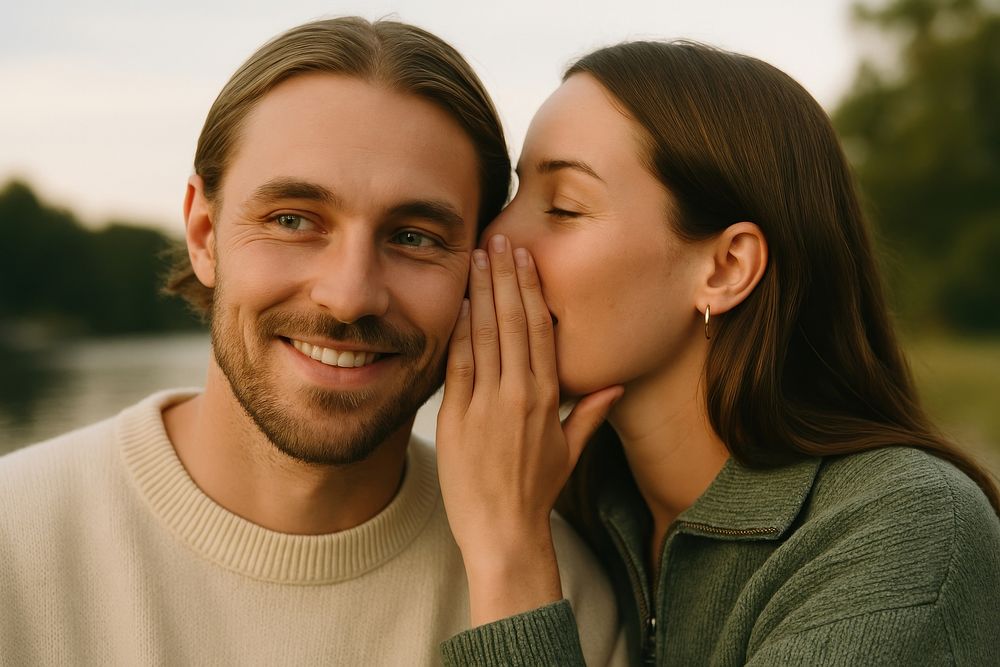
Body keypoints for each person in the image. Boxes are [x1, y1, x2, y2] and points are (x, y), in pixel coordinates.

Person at [0, 18, 623, 665]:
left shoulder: (554, 593)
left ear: (480, 272)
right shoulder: (14, 540)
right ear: (204, 232)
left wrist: (512, 571)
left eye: (414, 236)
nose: (351, 294)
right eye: (293, 220)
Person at [436, 40, 1000, 665]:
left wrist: (509, 551)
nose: (495, 238)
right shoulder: (582, 504)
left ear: (728, 267)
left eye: (564, 207)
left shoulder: (901, 527)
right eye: (514, 197)